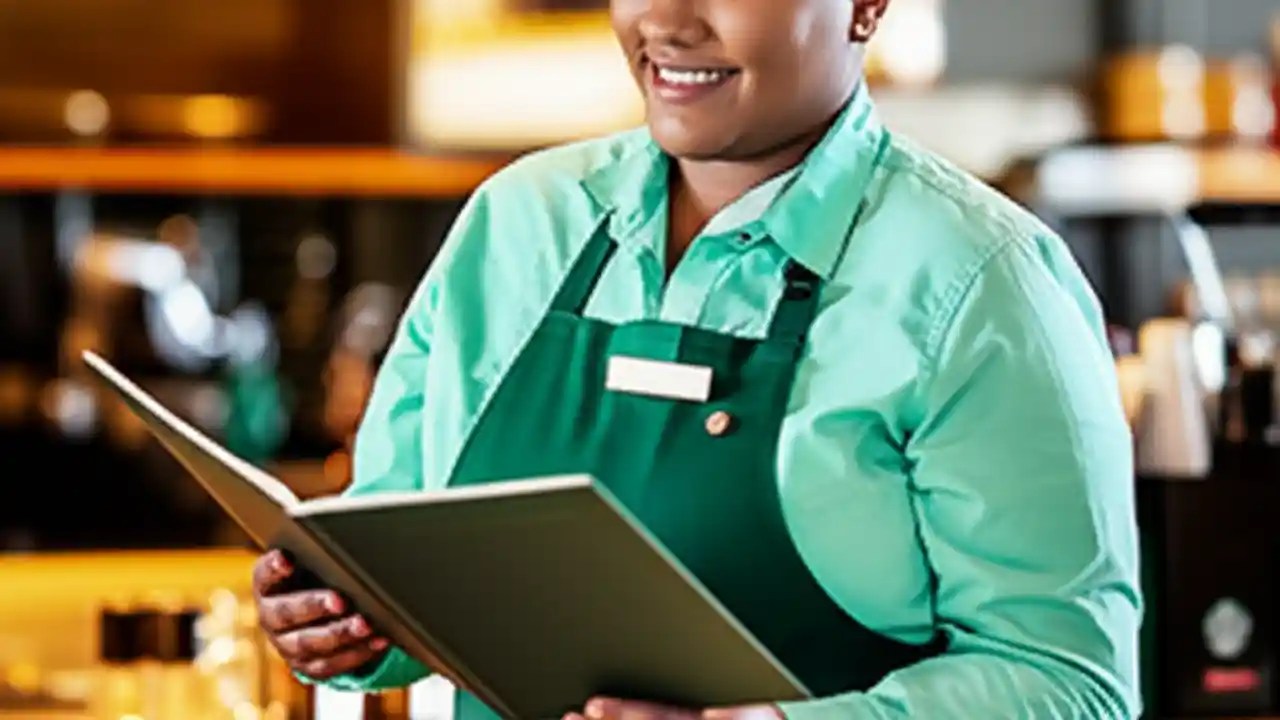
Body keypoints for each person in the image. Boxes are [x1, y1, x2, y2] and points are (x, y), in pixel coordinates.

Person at [250, 0, 1143, 717]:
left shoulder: (983, 286)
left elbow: (1070, 684)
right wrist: (347, 624)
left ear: (868, 8)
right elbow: (401, 536)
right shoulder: (516, 223)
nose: (668, 22)